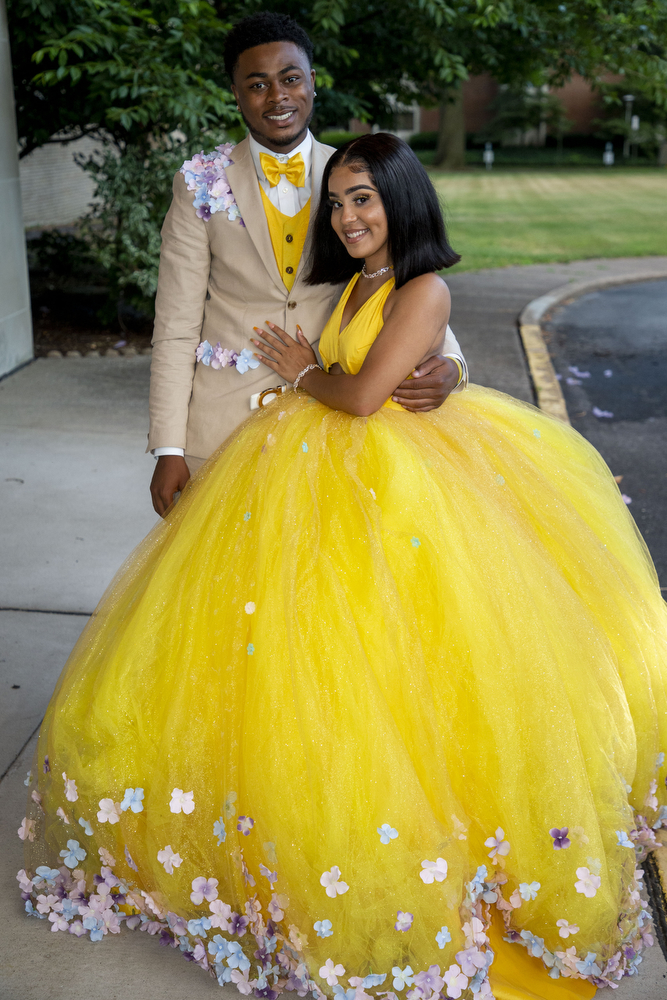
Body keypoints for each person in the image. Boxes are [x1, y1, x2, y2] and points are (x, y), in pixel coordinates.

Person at [19, 134, 667, 1000]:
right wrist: (304, 378)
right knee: (282, 660)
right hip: (314, 467)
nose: (347, 215)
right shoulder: (357, 275)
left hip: (390, 479)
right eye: (339, 202)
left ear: (402, 201)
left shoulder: (420, 285)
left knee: (394, 667)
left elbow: (363, 394)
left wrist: (302, 371)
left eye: (364, 199)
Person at [148, 11, 465, 517]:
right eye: (257, 84)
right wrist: (169, 446)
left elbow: (405, 283)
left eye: (290, 79)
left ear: (312, 83)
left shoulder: (353, 178)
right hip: (222, 424)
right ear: (235, 92)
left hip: (331, 428)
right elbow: (175, 325)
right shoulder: (199, 185)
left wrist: (453, 363)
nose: (277, 97)